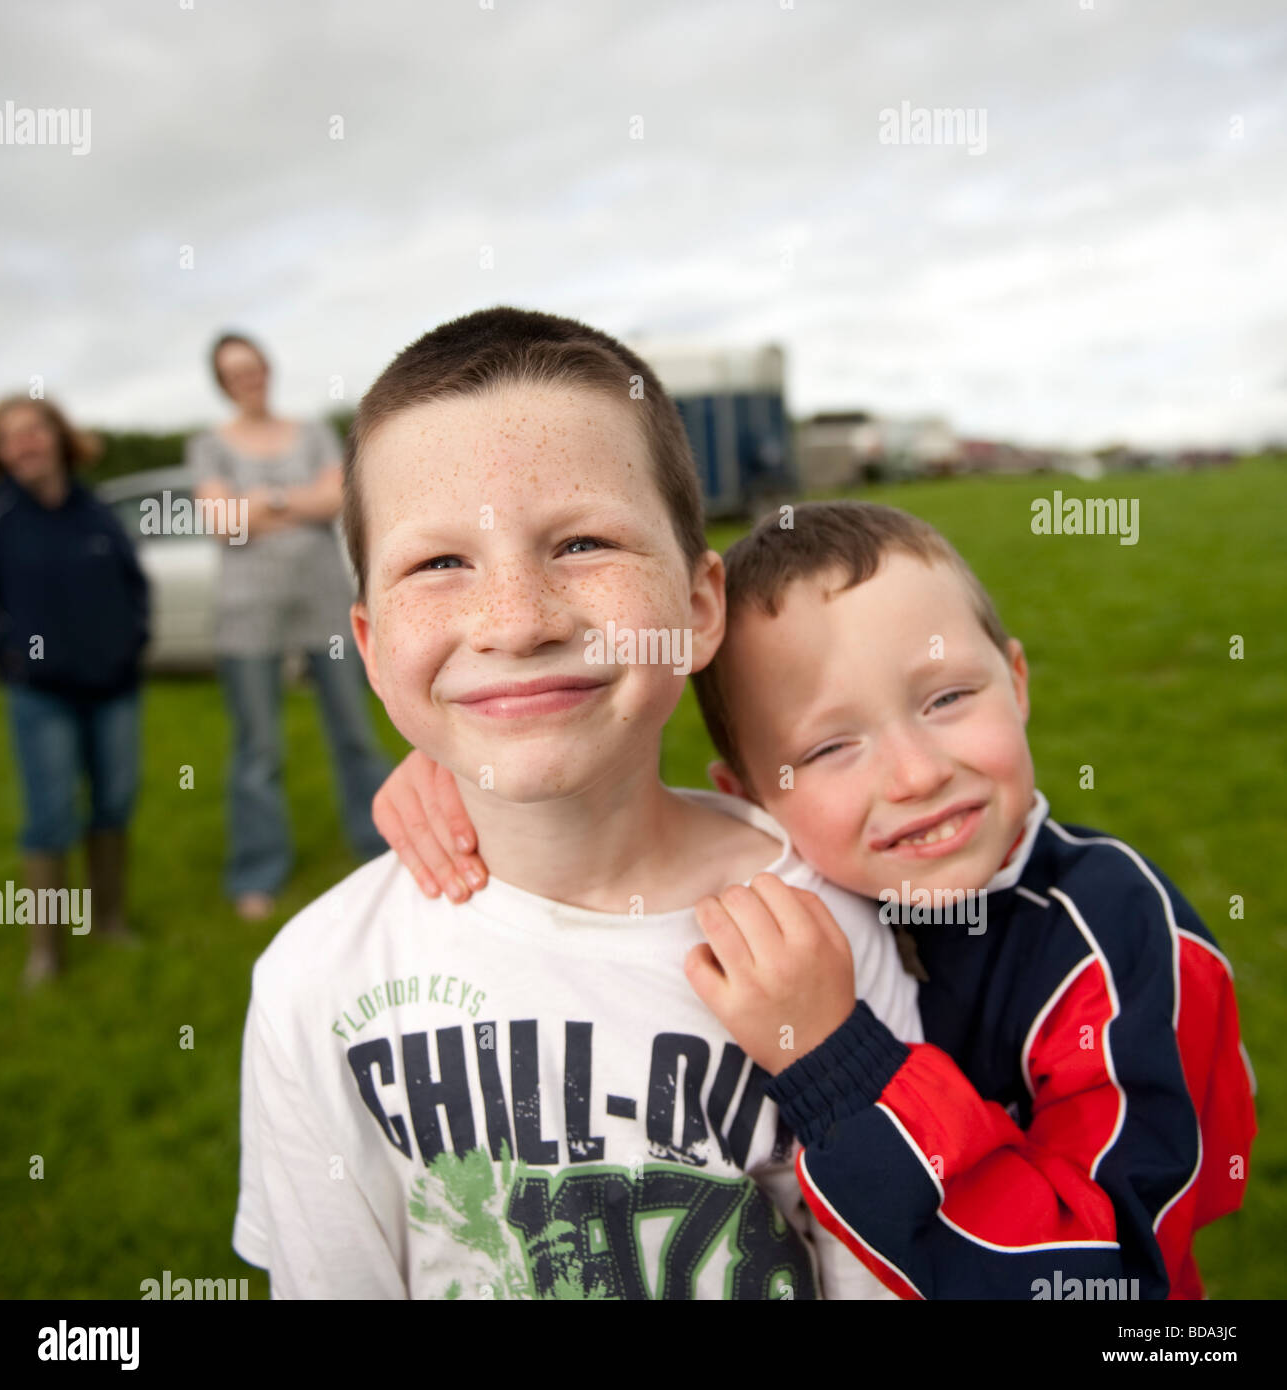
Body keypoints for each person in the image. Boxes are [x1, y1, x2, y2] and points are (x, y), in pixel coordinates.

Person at [376, 501, 1257, 1300]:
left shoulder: (1119, 943)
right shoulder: (797, 869)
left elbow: (1103, 1280)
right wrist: (476, 785)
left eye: (948, 698)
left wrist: (841, 1063)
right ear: (755, 797)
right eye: (831, 748)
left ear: (1018, 680)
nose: (916, 775)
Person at [231, 307, 921, 1299]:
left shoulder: (829, 928)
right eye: (439, 563)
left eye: (584, 542)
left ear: (696, 606)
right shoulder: (315, 981)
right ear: (373, 646)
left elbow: (890, 1263)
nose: (515, 622)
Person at [187, 332, 391, 920]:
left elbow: (338, 500)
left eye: (253, 366)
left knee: (356, 732)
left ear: (267, 369)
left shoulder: (313, 432)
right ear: (222, 382)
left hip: (327, 605)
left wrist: (260, 503)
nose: (247, 378)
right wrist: (295, 499)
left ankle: (380, 849)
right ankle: (257, 870)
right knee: (259, 748)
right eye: (234, 372)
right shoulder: (209, 444)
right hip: (247, 615)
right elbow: (221, 520)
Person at [0, 394, 148, 986]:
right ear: (1, 453)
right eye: (11, 437)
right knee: (50, 817)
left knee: (113, 804)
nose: (25, 444)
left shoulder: (96, 509)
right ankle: (46, 952)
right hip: (42, 693)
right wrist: (8, 647)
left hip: (115, 687)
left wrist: (135, 637)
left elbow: (134, 584)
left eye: (33, 430)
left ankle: (109, 922)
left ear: (57, 436)